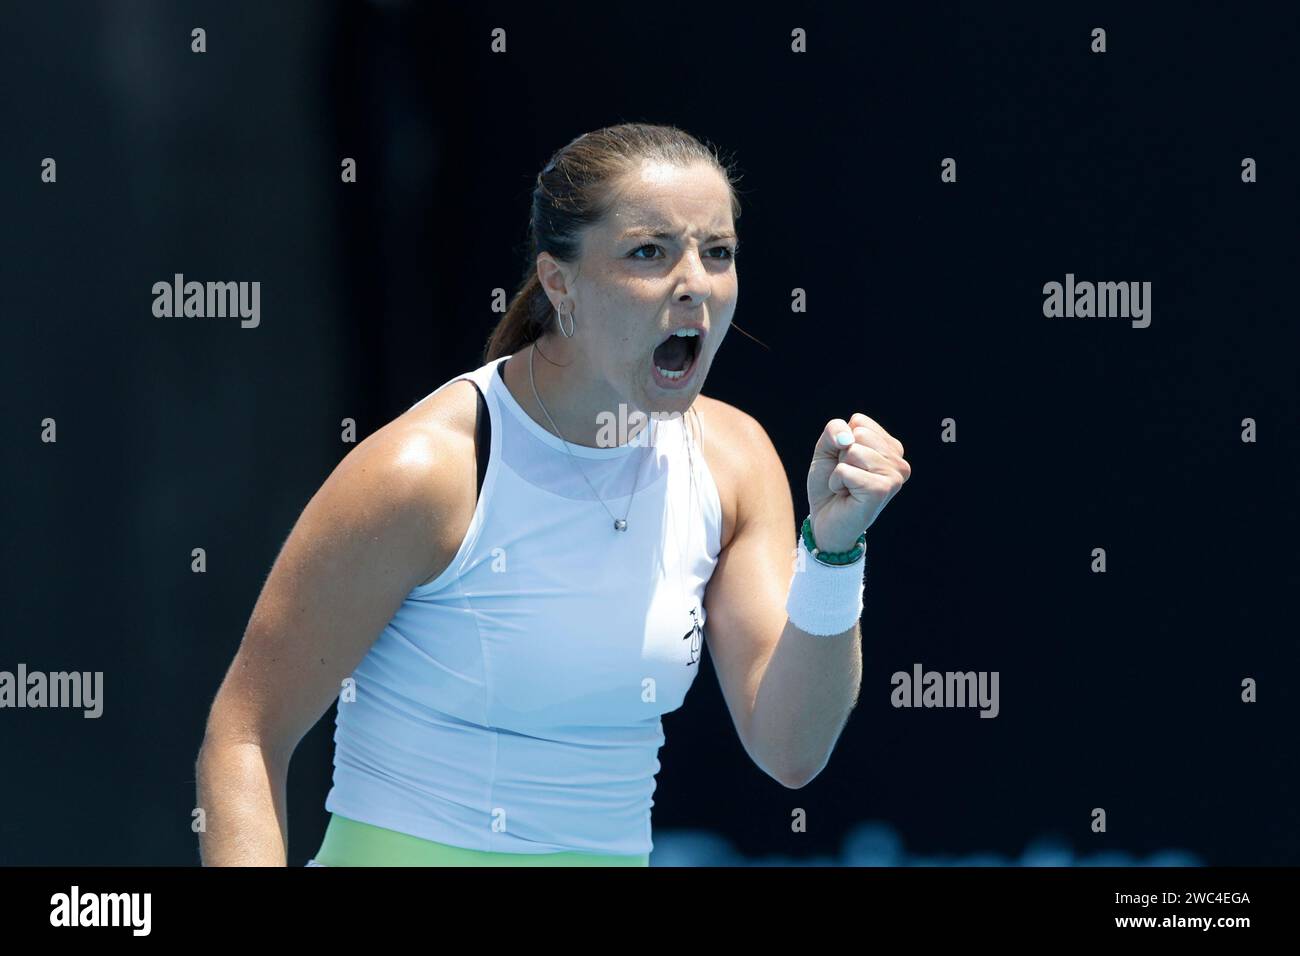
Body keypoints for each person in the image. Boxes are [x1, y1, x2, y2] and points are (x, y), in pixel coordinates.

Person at [194, 122, 910, 866]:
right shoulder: (427, 471)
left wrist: (834, 554)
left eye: (718, 252)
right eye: (649, 252)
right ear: (560, 282)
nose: (695, 282)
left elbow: (790, 750)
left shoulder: (734, 459)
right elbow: (244, 735)